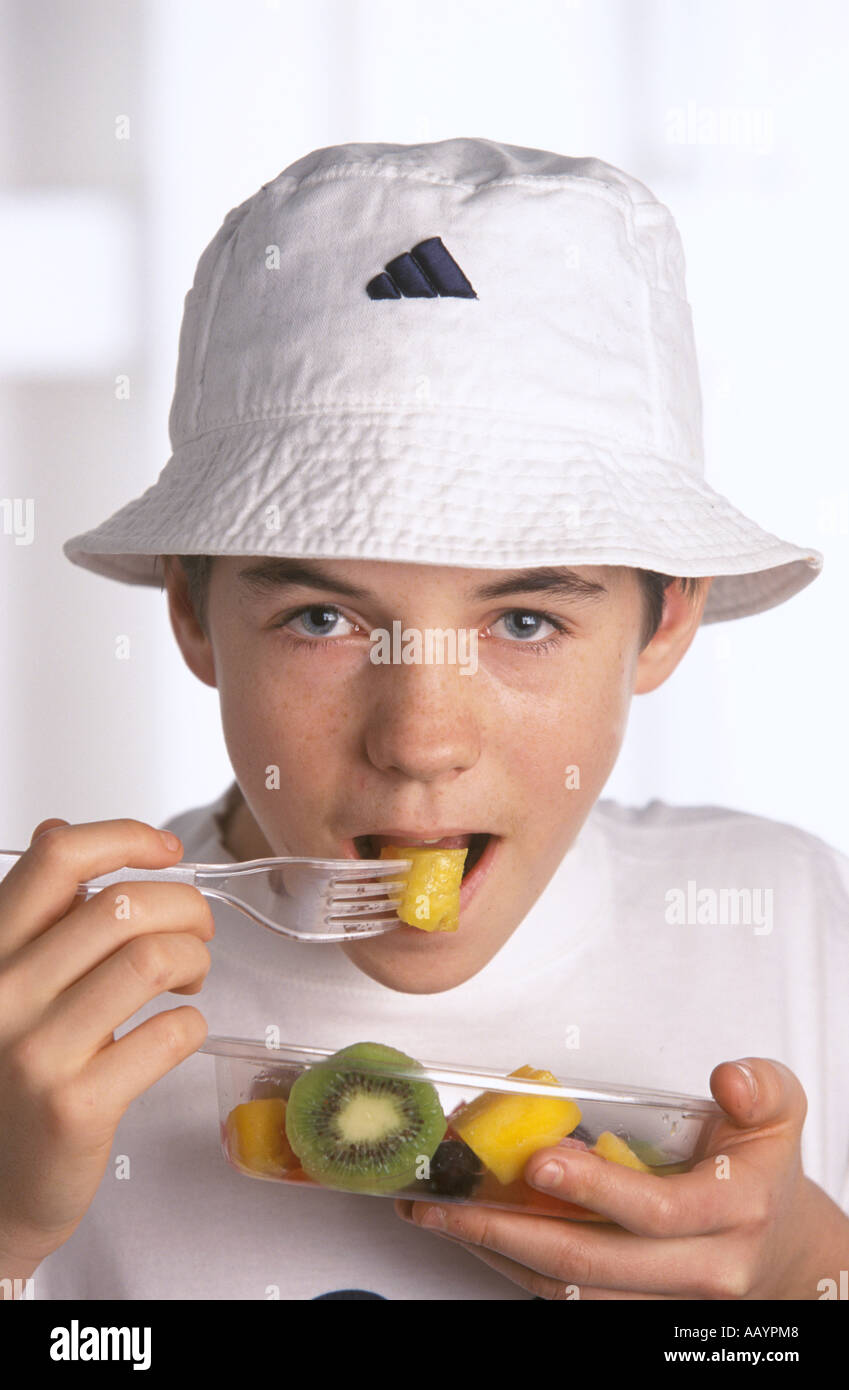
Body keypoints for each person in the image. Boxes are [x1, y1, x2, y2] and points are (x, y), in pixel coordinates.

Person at [2, 138, 848, 1301]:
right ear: (194, 616)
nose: (420, 739)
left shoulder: (799, 925)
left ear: (662, 625)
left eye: (525, 623)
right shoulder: (32, 1022)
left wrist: (816, 1274)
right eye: (320, 619)